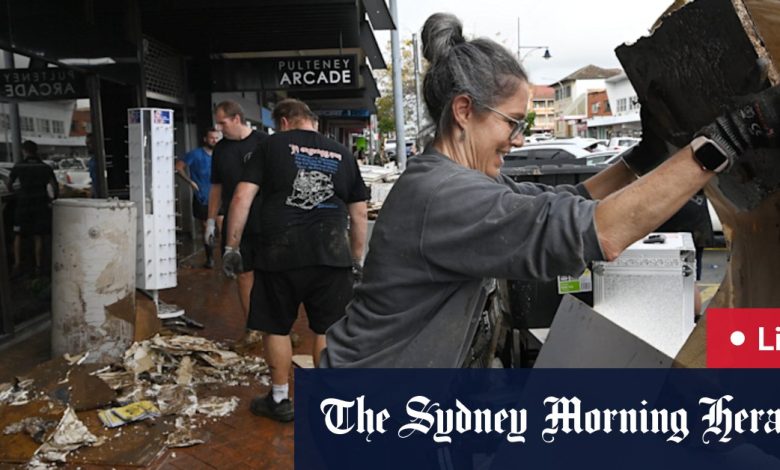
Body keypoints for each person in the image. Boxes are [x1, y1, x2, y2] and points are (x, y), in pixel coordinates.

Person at [320, 12, 780, 368]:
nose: (519, 140)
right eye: (513, 123)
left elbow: (564, 204)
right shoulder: (444, 196)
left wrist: (642, 158)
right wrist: (728, 138)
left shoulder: (458, 179)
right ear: (464, 110)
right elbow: (600, 232)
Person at [224, 98, 368, 421]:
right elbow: (359, 213)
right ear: (312, 120)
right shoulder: (343, 154)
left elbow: (241, 197)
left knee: (275, 327)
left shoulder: (269, 146)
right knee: (327, 329)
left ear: (285, 122)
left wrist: (232, 247)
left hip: (279, 253)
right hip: (332, 254)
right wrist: (356, 258)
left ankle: (279, 399)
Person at [207, 101, 268, 323]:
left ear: (236, 119)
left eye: (222, 123)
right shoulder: (220, 150)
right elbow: (216, 187)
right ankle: (253, 326)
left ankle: (279, 327)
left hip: (266, 220)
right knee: (243, 274)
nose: (219, 128)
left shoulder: (264, 142)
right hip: (236, 224)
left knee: (271, 276)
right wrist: (210, 221)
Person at [9, 140, 58, 277]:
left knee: (18, 234)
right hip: (40, 203)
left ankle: (17, 265)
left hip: (23, 204)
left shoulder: (19, 166)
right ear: (36, 151)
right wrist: (53, 199)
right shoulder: (45, 167)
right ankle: (38, 266)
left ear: (24, 151)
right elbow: (54, 186)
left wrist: (16, 193)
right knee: (38, 235)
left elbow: (9, 184)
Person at [176, 128, 221, 268]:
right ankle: (210, 259)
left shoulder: (222, 154)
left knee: (223, 228)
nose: (214, 140)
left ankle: (226, 258)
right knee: (207, 228)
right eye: (212, 138)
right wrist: (190, 182)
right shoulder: (195, 154)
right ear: (205, 139)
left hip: (221, 197)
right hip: (202, 197)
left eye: (217, 138)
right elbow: (178, 167)